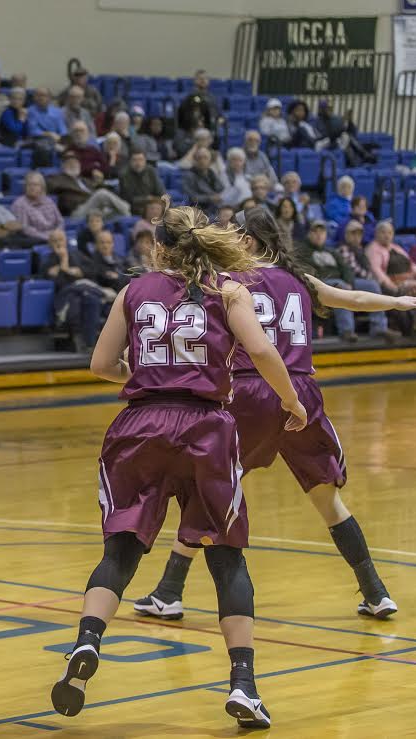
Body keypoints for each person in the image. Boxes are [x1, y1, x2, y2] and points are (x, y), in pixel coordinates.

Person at [52, 206, 304, 729]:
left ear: (157, 246)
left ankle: (88, 642)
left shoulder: (133, 291)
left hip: (139, 424)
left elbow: (100, 365)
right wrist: (292, 403)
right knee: (227, 557)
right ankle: (243, 686)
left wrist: (143, 369)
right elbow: (261, 351)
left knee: (120, 550)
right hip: (204, 426)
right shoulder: (228, 291)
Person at [132, 209, 416, 627]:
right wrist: (395, 301)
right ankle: (376, 593)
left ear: (248, 242)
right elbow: (352, 298)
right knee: (327, 498)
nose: (228, 238)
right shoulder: (300, 281)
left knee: (209, 491)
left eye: (234, 233)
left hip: (252, 390)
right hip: (302, 390)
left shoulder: (228, 283)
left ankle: (168, 592)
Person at [48, 153, 130, 220]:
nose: (73, 165)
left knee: (115, 212)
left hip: (93, 209)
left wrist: (100, 182)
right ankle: (127, 208)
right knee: (101, 194)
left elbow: (98, 188)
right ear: (63, 166)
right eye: (70, 163)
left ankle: (127, 217)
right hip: (77, 211)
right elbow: (50, 185)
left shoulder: (84, 180)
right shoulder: (59, 178)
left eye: (76, 163)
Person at [11, 172, 64, 245]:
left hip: (54, 237)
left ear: (42, 187)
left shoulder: (49, 201)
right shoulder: (19, 204)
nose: (32, 187)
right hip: (37, 240)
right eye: (29, 185)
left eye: (35, 185)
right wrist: (47, 237)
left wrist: (57, 233)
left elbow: (60, 221)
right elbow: (25, 229)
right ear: (25, 187)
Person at [118, 149, 166, 215]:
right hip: (135, 207)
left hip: (153, 203)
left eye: (141, 159)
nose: (138, 163)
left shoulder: (151, 171)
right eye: (135, 160)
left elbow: (161, 191)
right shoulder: (124, 174)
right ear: (130, 161)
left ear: (145, 161)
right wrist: (146, 199)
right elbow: (128, 199)